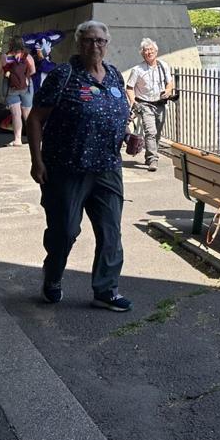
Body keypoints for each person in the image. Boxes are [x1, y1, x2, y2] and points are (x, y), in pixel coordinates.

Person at [26, 20, 133, 312]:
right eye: (88, 41)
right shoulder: (64, 75)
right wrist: (37, 161)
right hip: (66, 168)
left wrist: (127, 134)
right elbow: (35, 119)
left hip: (107, 168)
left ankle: (106, 290)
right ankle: (53, 275)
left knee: (111, 231)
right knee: (65, 231)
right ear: (78, 43)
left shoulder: (114, 76)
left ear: (106, 44)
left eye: (99, 41)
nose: (94, 46)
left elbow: (116, 114)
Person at [125, 38, 178, 172]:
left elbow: (169, 82)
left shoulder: (163, 66)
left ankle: (151, 153)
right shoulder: (137, 70)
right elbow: (129, 87)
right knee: (150, 132)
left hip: (160, 103)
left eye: (151, 50)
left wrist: (168, 91)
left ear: (156, 51)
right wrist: (133, 101)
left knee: (157, 132)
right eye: (146, 50)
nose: (149, 52)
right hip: (144, 104)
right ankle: (152, 159)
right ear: (142, 53)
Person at [0, 36, 36, 147]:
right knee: (27, 114)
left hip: (11, 87)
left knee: (16, 114)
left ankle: (17, 140)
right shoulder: (27, 56)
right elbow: (33, 71)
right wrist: (25, 77)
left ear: (10, 44)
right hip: (26, 86)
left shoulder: (5, 56)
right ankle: (33, 139)